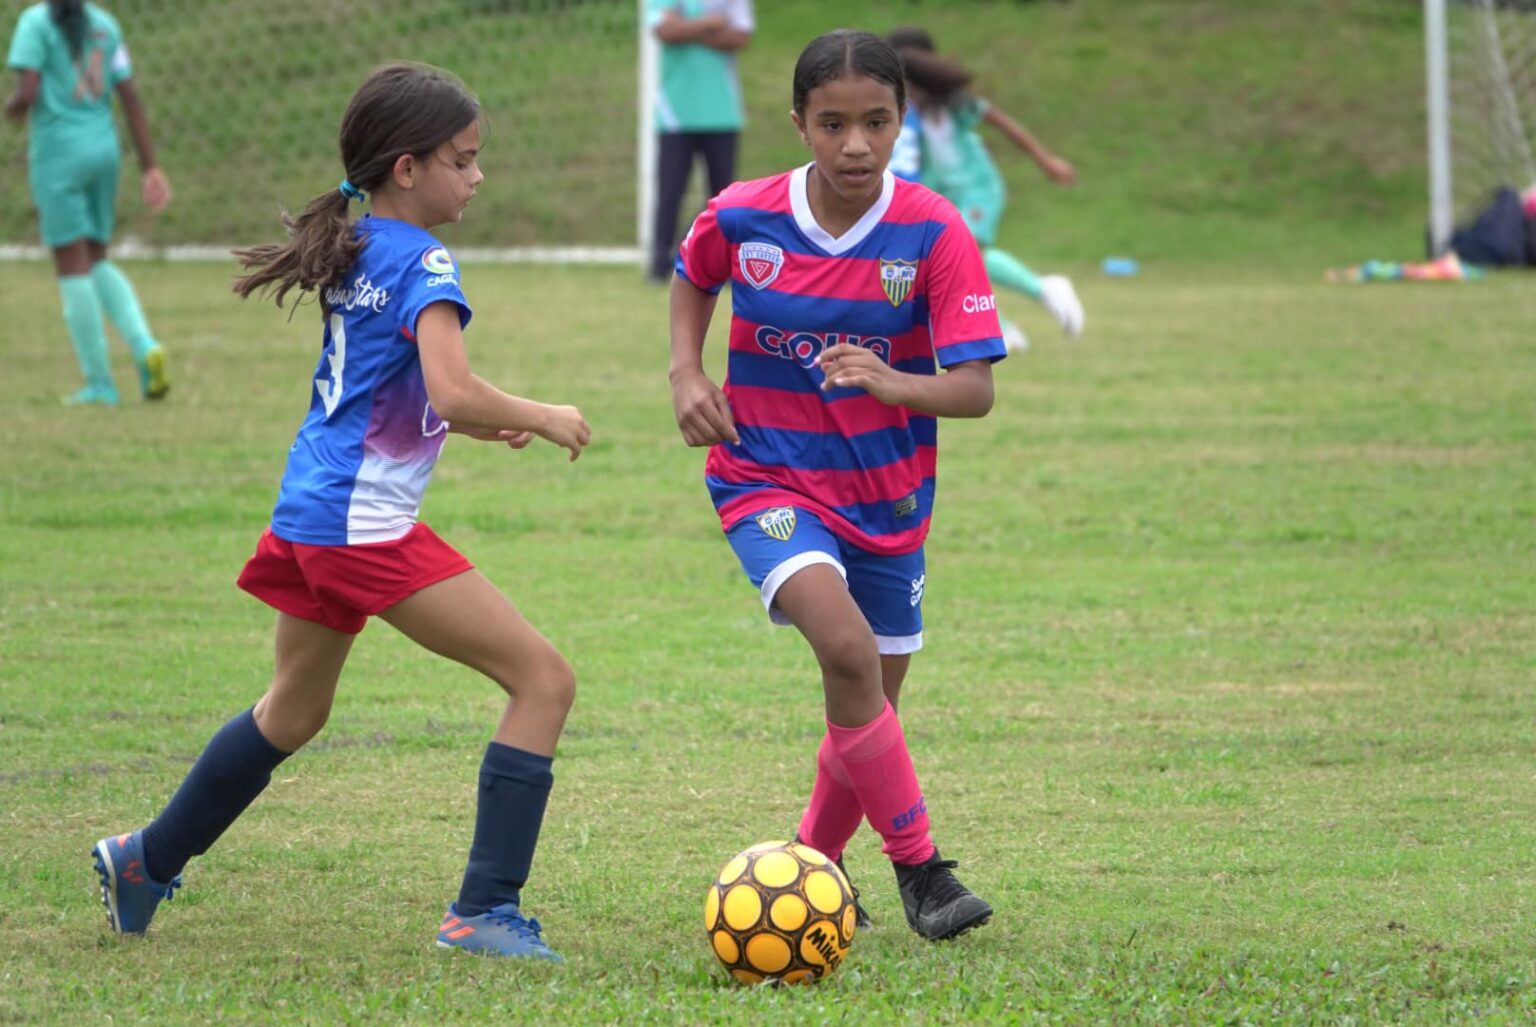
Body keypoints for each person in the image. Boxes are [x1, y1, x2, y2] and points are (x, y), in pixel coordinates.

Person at [89, 63, 593, 962]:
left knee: (293, 710)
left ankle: (144, 859)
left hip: (309, 512)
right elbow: (451, 388)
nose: (477, 177)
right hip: (365, 528)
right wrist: (541, 413)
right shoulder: (426, 260)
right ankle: (484, 909)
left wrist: (481, 422)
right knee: (544, 681)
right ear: (408, 167)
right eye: (464, 160)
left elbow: (390, 390)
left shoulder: (356, 245)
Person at [668, 29, 997, 942]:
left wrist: (893, 381)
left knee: (870, 705)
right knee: (847, 654)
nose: (856, 144)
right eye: (834, 124)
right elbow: (694, 275)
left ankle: (814, 864)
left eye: (877, 122)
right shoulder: (743, 214)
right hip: (764, 475)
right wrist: (686, 373)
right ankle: (922, 870)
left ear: (902, 121)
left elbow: (975, 389)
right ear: (800, 124)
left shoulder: (933, 229)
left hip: (888, 498)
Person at [5, 0, 171, 406]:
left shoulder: (35, 22)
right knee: (96, 257)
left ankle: (100, 383)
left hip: (58, 153)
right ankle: (145, 345)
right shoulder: (105, 24)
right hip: (104, 152)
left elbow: (27, 91)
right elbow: (129, 95)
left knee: (71, 265)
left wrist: (11, 108)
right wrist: (150, 166)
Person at [887, 26, 1084, 351]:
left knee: (967, 253)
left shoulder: (954, 102)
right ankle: (1003, 325)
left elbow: (1005, 125)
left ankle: (1041, 290)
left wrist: (1046, 160)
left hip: (978, 188)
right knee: (950, 259)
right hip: (944, 194)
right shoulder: (907, 111)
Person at [645, 0, 754, 282]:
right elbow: (664, 31)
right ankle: (659, 265)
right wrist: (710, 24)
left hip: (722, 112)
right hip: (674, 114)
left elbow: (740, 36)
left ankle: (715, 263)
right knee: (670, 191)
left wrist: (685, 27)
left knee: (723, 196)